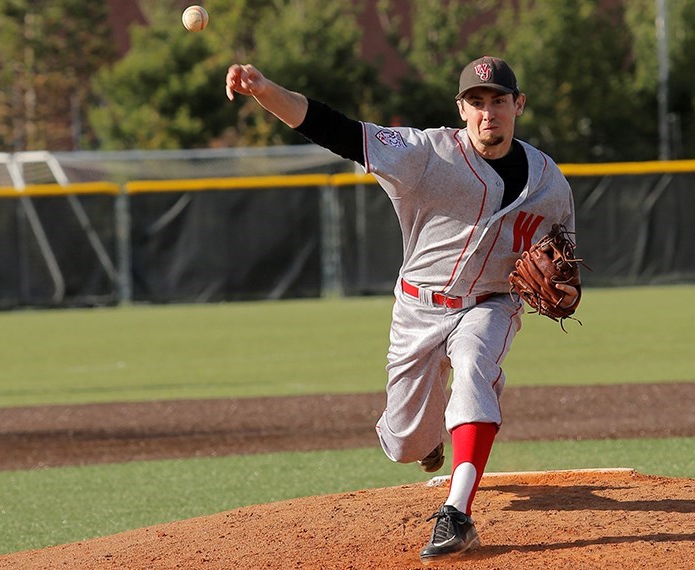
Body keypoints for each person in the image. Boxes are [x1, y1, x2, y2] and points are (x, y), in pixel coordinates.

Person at [225, 55, 578, 563]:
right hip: (419, 308)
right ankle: (427, 437)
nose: (488, 113)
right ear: (461, 109)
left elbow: (563, 260)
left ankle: (457, 514)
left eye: (498, 101)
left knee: (476, 368)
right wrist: (265, 91)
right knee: (405, 445)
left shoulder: (550, 182)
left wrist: (563, 291)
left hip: (491, 304)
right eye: (476, 102)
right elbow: (337, 130)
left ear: (517, 104)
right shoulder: (425, 153)